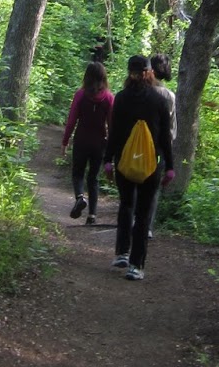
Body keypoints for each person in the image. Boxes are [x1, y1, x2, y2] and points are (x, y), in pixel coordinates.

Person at [104, 54, 174, 281]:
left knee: (126, 205)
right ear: (149, 72)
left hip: (124, 161)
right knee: (143, 213)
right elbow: (165, 137)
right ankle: (136, 265)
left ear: (129, 73)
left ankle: (122, 253)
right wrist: (170, 166)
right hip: (151, 163)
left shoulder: (121, 98)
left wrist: (107, 160)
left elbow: (114, 132)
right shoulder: (159, 100)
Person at [61, 61, 114, 225]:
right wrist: (112, 148)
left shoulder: (80, 94)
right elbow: (112, 124)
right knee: (93, 177)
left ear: (87, 76)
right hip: (99, 142)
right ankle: (92, 215)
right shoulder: (109, 98)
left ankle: (80, 197)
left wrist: (65, 141)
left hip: (81, 140)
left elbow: (71, 121)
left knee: (78, 173)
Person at [146, 53, 176, 240]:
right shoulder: (169, 96)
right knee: (153, 188)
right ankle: (147, 225)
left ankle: (134, 218)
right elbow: (171, 129)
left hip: (137, 145)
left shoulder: (139, 91)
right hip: (158, 148)